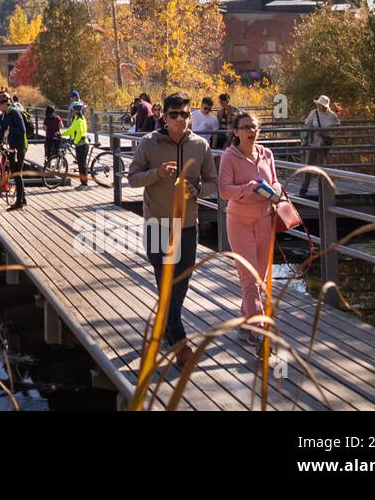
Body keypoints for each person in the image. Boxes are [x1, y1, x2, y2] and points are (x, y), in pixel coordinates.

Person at [127, 92, 219, 369]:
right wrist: (157, 174)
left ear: (191, 116)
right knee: (166, 284)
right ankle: (180, 343)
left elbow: (213, 183)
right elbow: (132, 178)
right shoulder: (149, 143)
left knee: (181, 285)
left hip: (187, 224)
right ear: (164, 117)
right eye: (174, 114)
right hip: (157, 222)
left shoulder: (200, 145)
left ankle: (167, 327)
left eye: (184, 114)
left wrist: (198, 190)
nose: (180, 119)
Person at [218, 111, 288, 358]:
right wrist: (249, 189)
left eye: (255, 127)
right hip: (239, 222)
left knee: (262, 275)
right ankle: (260, 332)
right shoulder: (230, 156)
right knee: (250, 279)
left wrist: (274, 189)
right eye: (245, 127)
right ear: (236, 132)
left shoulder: (266, 154)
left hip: (265, 219)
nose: (251, 131)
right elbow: (225, 190)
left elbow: (278, 184)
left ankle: (246, 326)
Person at [0, 92, 29, 210]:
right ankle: (23, 198)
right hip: (12, 147)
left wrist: (10, 129)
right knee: (15, 172)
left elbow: (22, 130)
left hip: (19, 147)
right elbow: (1, 129)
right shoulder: (5, 115)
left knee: (17, 174)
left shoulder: (14, 113)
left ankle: (19, 202)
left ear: (5, 103)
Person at [300, 95, 340, 197]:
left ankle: (324, 189)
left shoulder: (332, 116)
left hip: (323, 143)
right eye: (319, 104)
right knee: (309, 166)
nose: (320, 106)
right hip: (312, 142)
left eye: (322, 105)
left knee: (323, 167)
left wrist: (325, 132)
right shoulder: (313, 113)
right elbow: (307, 125)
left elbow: (337, 127)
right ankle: (304, 188)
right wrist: (310, 135)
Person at [63, 101, 90, 189]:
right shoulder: (76, 118)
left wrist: (75, 141)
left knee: (82, 165)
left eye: (72, 110)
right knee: (81, 164)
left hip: (82, 144)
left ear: (76, 111)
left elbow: (80, 133)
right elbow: (71, 129)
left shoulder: (79, 120)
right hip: (80, 144)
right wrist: (62, 134)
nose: (71, 112)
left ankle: (84, 184)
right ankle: (83, 183)